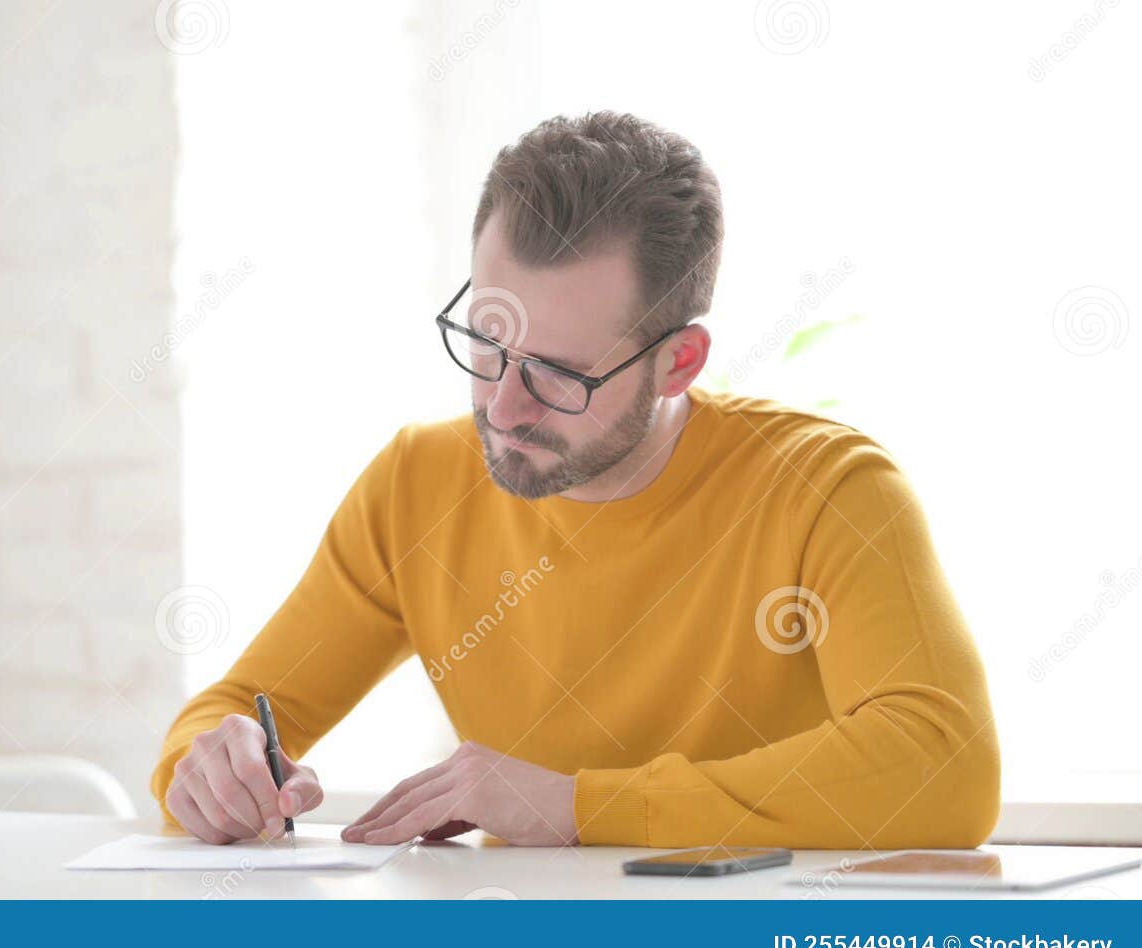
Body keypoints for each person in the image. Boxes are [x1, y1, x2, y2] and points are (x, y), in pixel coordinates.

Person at [150, 110, 999, 849]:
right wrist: (211, 772)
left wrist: (576, 807)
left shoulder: (827, 489)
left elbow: (945, 768)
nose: (503, 406)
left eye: (560, 374)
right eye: (488, 343)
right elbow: (237, 707)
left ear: (679, 362)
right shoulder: (416, 485)